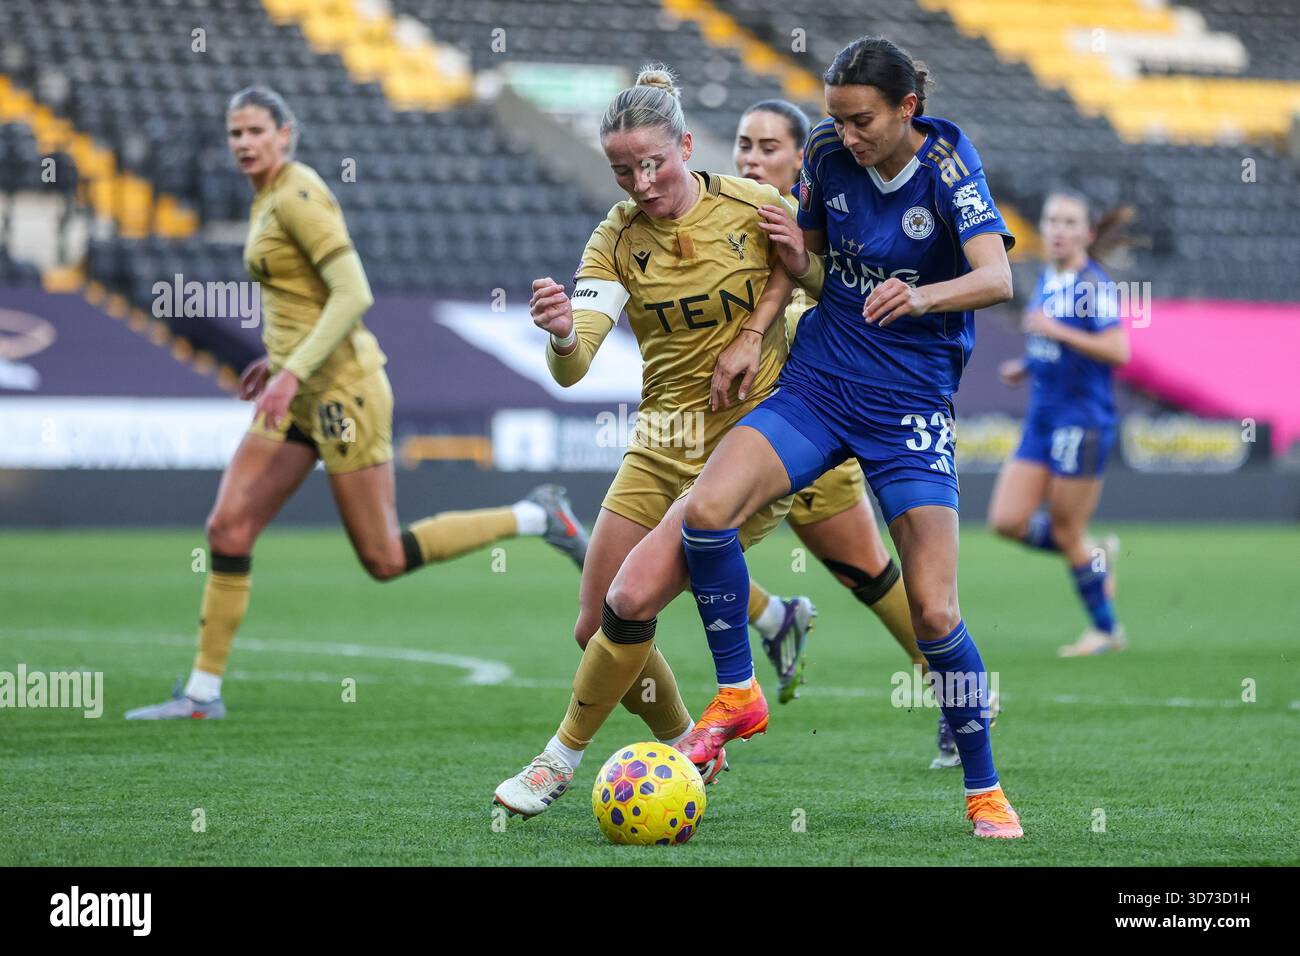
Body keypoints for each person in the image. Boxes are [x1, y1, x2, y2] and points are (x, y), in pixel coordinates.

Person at [126, 86, 588, 720]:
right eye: (234, 133)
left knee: (384, 557)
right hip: (298, 389)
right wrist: (280, 361)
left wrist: (292, 372)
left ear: (285, 134)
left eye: (255, 131)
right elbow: (304, 299)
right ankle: (202, 694)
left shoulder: (298, 195)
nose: (243, 143)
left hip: (344, 392)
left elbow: (353, 293)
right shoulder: (267, 198)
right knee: (227, 527)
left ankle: (537, 517)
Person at [673, 37, 1025, 837]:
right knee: (706, 512)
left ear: (908, 108)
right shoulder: (828, 155)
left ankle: (985, 791)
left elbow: (998, 279)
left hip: (909, 406)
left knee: (934, 614)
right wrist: (756, 332)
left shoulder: (948, 169)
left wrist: (924, 296)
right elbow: (801, 257)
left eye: (861, 120)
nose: (847, 135)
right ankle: (738, 693)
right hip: (819, 384)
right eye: (836, 119)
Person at [492, 66, 806, 817]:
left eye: (653, 162)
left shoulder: (754, 205)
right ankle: (687, 753)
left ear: (688, 147)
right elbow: (574, 367)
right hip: (660, 439)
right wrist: (565, 333)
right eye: (623, 169)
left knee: (630, 600)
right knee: (592, 621)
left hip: (746, 444)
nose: (640, 180)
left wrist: (760, 329)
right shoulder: (616, 236)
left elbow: (809, 275)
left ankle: (556, 760)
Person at [734, 100, 984, 768]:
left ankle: (951, 697)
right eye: (744, 147)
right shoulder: (725, 212)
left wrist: (800, 268)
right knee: (694, 535)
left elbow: (837, 289)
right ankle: (766, 627)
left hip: (825, 406)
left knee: (873, 576)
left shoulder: (829, 202)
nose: (753, 161)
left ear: (798, 160)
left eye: (768, 149)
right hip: (751, 415)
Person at [988, 189, 1131, 657]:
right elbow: (1059, 346)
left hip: (1082, 422)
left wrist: (1055, 332)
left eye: (1070, 223)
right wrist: (1027, 363)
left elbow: (1117, 351)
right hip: (1042, 419)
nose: (1058, 230)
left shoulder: (1092, 285)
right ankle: (1094, 558)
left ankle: (1106, 630)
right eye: (1052, 221)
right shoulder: (1052, 276)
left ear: (1087, 234)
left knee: (1068, 530)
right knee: (1006, 521)